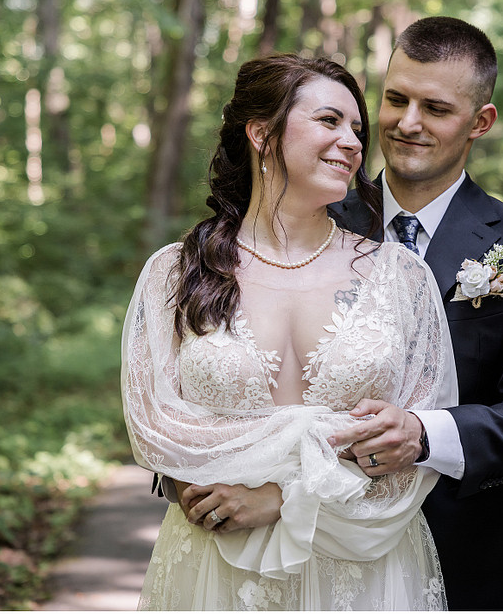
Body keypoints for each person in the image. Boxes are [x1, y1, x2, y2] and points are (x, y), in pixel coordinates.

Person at [121, 54, 458, 610]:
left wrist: (281, 496)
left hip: (363, 564)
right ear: (261, 134)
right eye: (329, 121)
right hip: (215, 560)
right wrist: (317, 447)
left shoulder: (401, 278)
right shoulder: (174, 273)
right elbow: (155, 427)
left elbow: (413, 445)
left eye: (356, 128)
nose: (352, 142)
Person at [327, 16, 503, 610]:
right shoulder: (313, 221)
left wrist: (422, 435)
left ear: (480, 122)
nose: (407, 123)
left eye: (435, 108)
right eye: (396, 99)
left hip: (468, 554)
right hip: (314, 547)